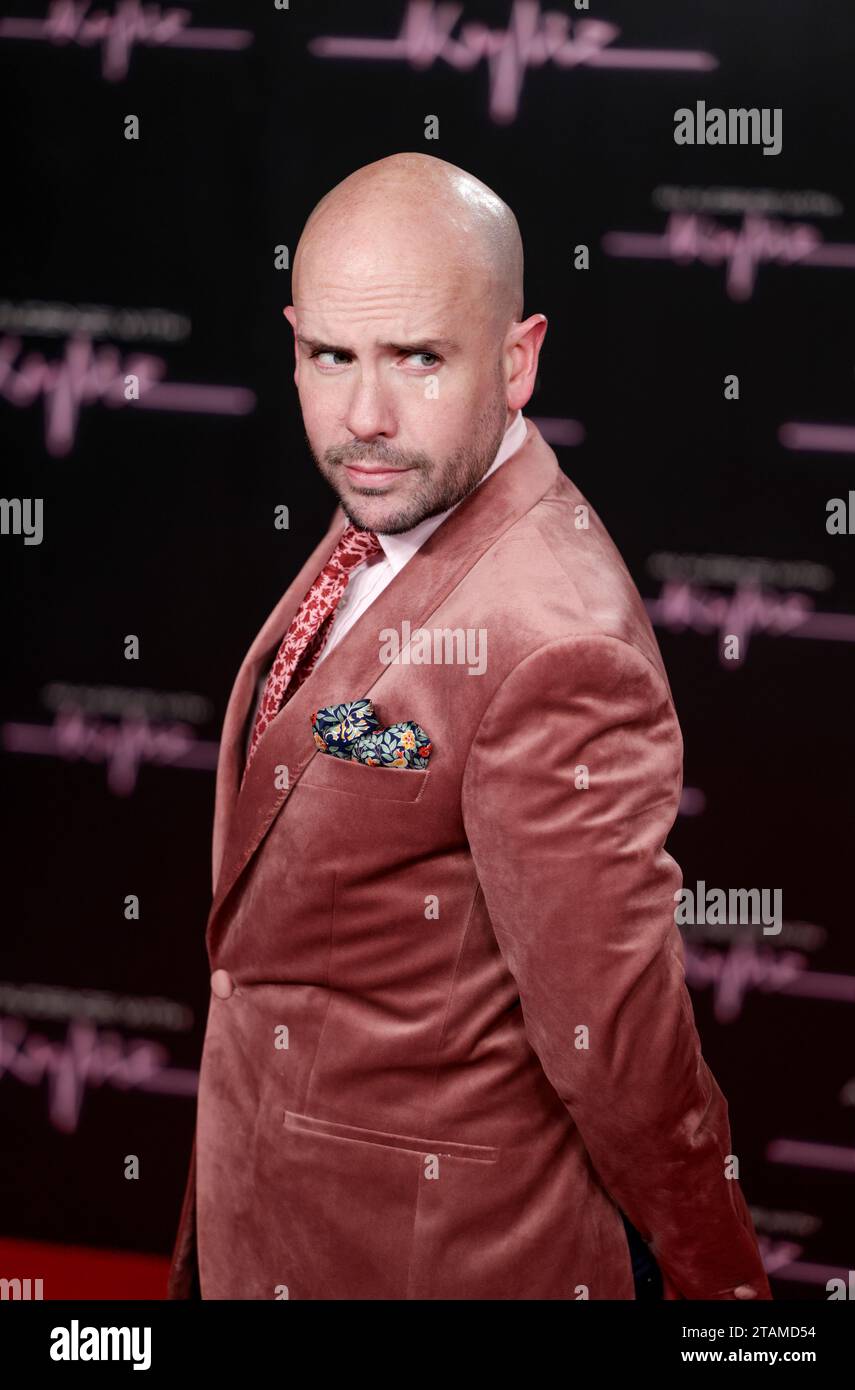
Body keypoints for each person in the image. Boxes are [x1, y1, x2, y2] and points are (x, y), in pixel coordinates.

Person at [167, 152, 771, 1301]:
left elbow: (624, 1051)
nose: (363, 415)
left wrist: (726, 1299)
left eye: (419, 361)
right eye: (328, 356)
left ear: (516, 358)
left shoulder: (553, 641)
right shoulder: (395, 499)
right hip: (267, 1220)